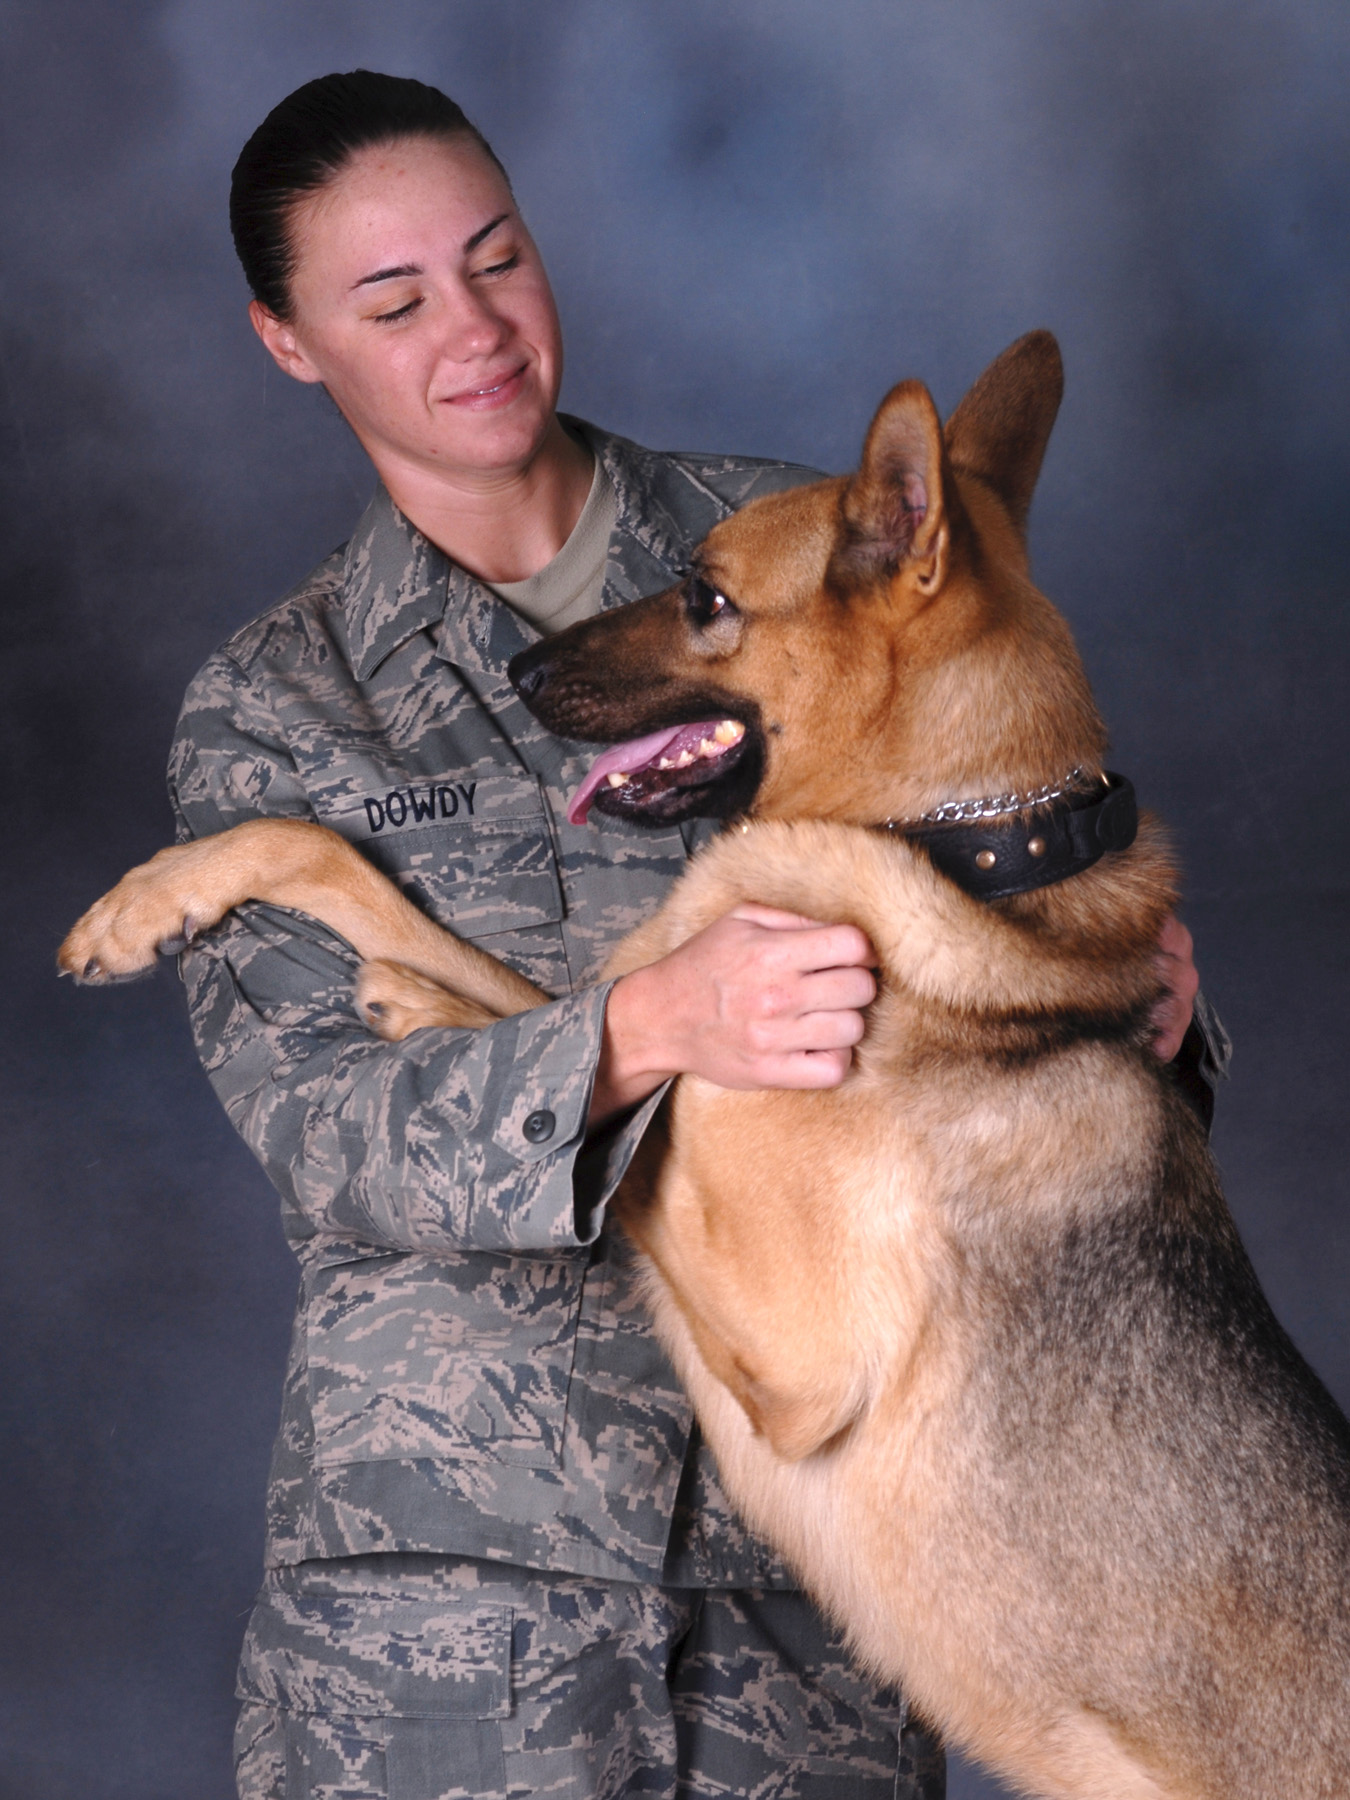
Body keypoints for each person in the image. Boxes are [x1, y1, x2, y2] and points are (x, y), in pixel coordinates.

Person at [172, 70, 1218, 1800]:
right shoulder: (278, 706)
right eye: (393, 299)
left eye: (496, 257)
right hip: (455, 1615)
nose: (475, 329)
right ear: (289, 342)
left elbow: (1013, 918)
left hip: (823, 1595)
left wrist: (1153, 1020)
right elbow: (334, 1135)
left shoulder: (816, 553)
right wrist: (648, 1027)